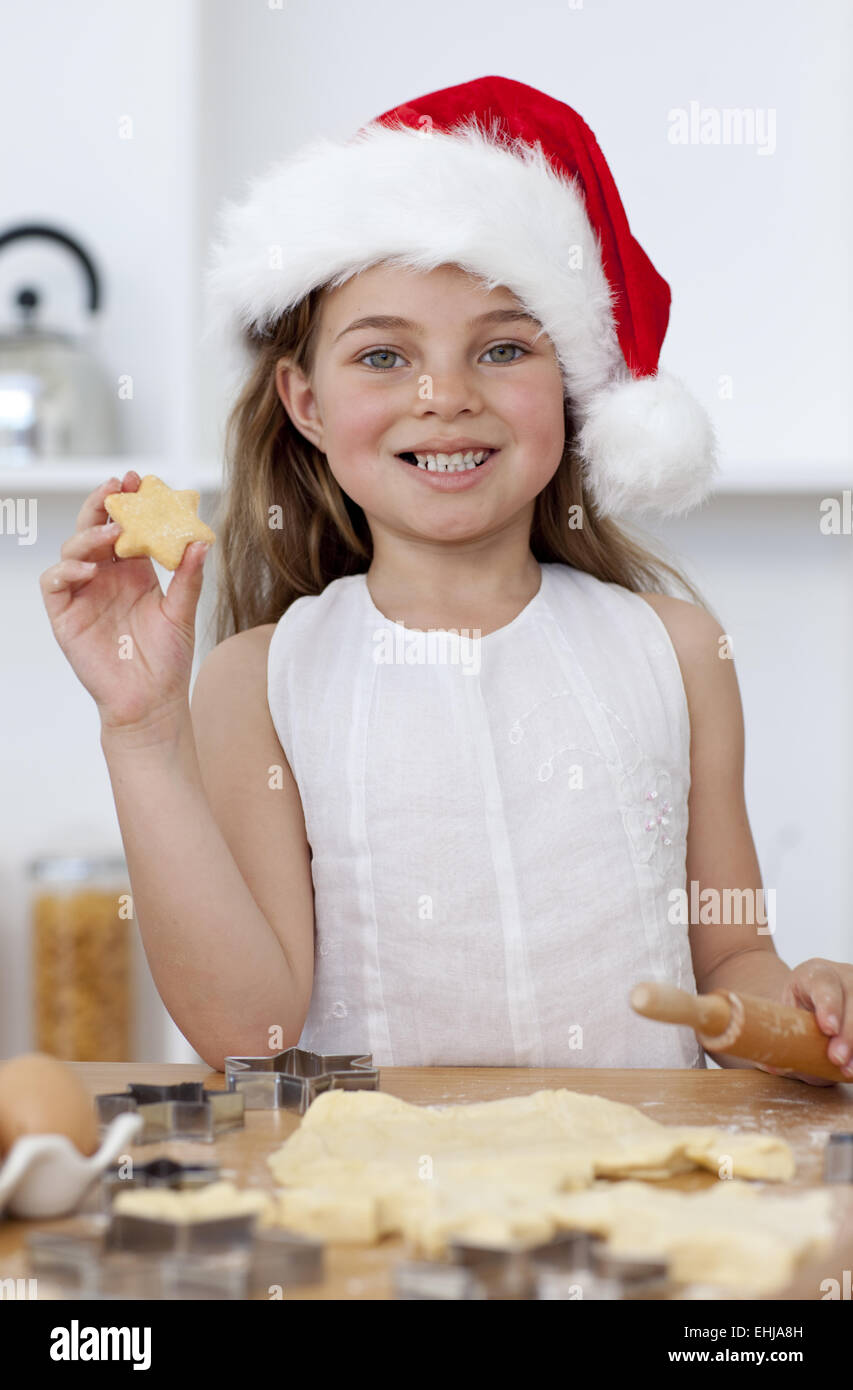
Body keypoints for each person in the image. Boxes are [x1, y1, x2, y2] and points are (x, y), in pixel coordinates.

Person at [40, 76, 853, 1079]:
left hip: (633, 1203)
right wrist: (143, 733)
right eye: (383, 355)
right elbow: (250, 1033)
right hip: (373, 1219)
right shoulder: (260, 679)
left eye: (503, 347)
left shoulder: (677, 649)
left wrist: (806, 1003)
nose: (445, 397)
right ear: (304, 402)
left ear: (574, 383)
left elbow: (731, 956)